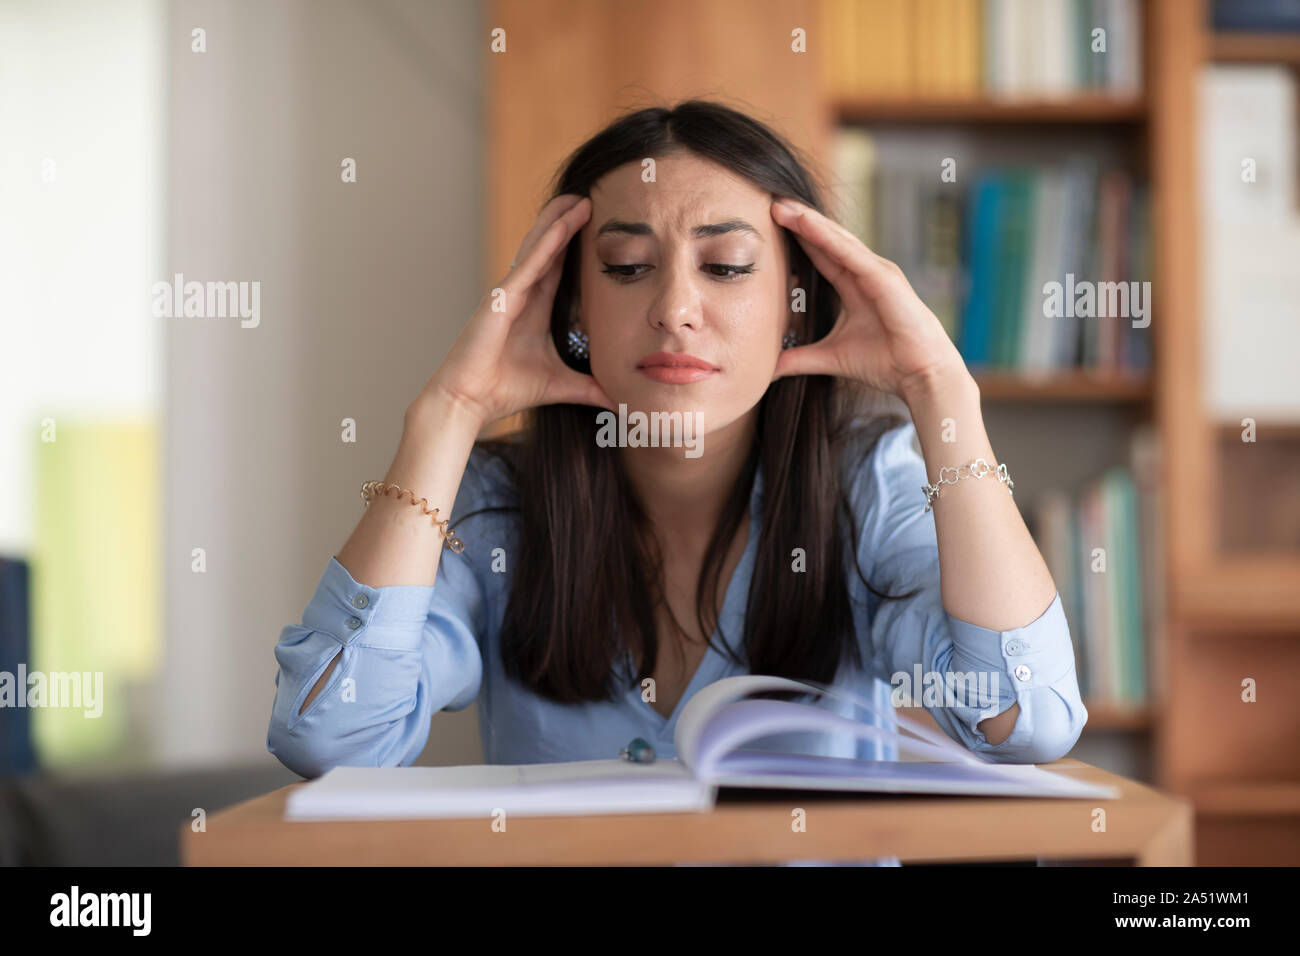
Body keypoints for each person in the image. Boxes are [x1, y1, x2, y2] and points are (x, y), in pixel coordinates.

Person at [266, 101, 1087, 864]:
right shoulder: (495, 506)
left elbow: (1021, 718)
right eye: (627, 267)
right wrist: (448, 412)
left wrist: (942, 389)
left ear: (796, 304)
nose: (675, 307)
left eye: (726, 266)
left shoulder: (866, 483)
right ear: (575, 309)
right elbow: (333, 739)